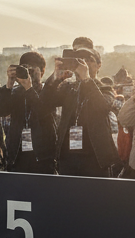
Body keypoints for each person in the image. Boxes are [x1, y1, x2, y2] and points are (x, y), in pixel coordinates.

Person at [45, 47, 117, 177]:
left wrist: (87, 79)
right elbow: (46, 103)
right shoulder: (68, 87)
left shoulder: (105, 88)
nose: (84, 64)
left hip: (95, 158)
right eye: (79, 60)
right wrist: (56, 77)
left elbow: (102, 107)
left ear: (98, 65)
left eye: (88, 60)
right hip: (68, 156)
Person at [0, 52, 56, 174]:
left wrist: (29, 88)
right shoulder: (15, 92)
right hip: (17, 156)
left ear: (42, 71)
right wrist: (9, 83)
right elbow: (1, 110)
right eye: (25, 69)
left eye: (32, 70)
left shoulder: (48, 91)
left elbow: (42, 111)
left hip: (42, 157)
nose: (29, 74)